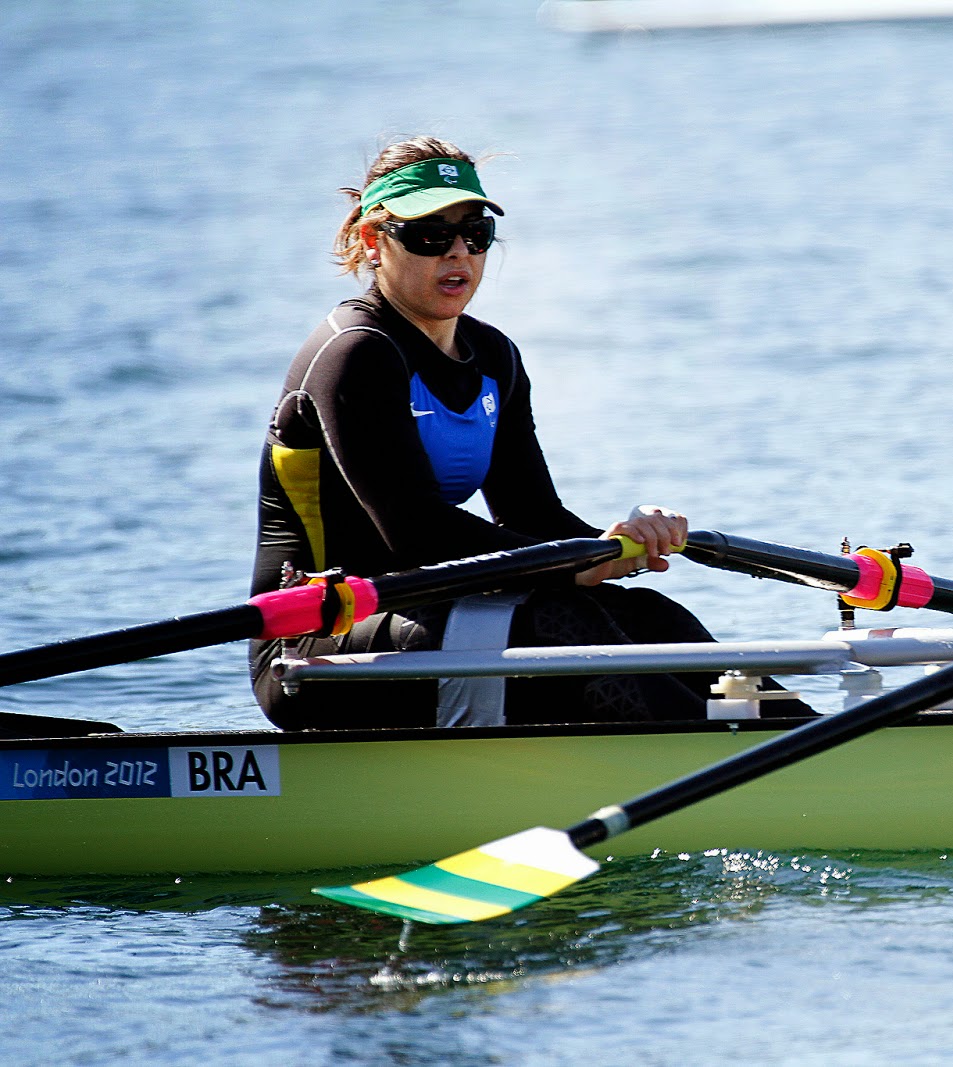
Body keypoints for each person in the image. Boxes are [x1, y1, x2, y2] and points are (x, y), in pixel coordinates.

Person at [250, 135, 807, 730]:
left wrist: (616, 543)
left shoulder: (493, 355)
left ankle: (815, 741)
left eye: (476, 234)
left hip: (426, 615)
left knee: (653, 617)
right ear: (373, 241)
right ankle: (755, 770)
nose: (458, 253)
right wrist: (575, 565)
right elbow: (416, 535)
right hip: (314, 645)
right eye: (430, 236)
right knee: (565, 622)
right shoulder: (355, 354)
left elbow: (535, 516)